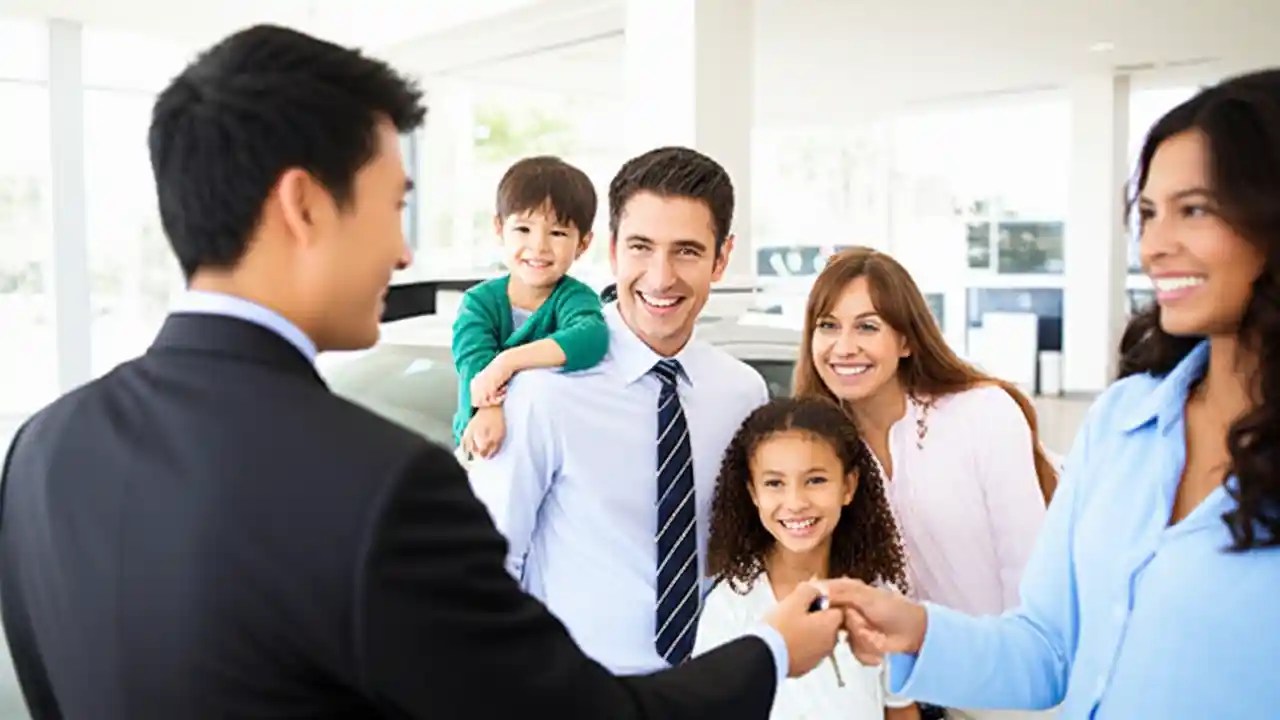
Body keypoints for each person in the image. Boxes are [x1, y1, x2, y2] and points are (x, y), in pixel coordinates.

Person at [0, 25, 847, 719]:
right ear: (304, 206)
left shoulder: (41, 448)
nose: (405, 249)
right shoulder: (384, 485)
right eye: (393, 204)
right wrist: (771, 651)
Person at [827, 69, 1280, 719]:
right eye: (1147, 213)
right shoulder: (1124, 420)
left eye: (1196, 210)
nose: (1155, 245)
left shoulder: (983, 415)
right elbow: (1049, 650)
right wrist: (915, 629)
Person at [470, 146, 775, 674]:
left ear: (721, 259)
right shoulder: (542, 390)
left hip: (708, 689)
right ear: (611, 250)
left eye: (686, 251)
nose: (660, 278)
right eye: (641, 247)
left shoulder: (742, 394)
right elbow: (488, 566)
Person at [793, 247, 1057, 720]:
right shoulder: (822, 450)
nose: (843, 346)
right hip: (917, 696)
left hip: (1023, 688)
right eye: (828, 326)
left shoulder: (982, 412)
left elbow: (1032, 574)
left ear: (907, 341)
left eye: (867, 326)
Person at [694, 396, 920, 720]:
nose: (796, 502)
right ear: (753, 493)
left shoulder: (879, 602)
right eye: (774, 483)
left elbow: (901, 711)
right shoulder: (730, 608)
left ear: (848, 486)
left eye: (815, 480)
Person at [451, 155, 608, 459]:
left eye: (558, 233)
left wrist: (507, 362)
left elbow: (591, 338)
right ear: (499, 228)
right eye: (523, 229)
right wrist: (489, 407)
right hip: (484, 451)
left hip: (557, 455)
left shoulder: (576, 299)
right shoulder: (479, 303)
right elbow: (473, 363)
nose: (538, 246)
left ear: (584, 244)